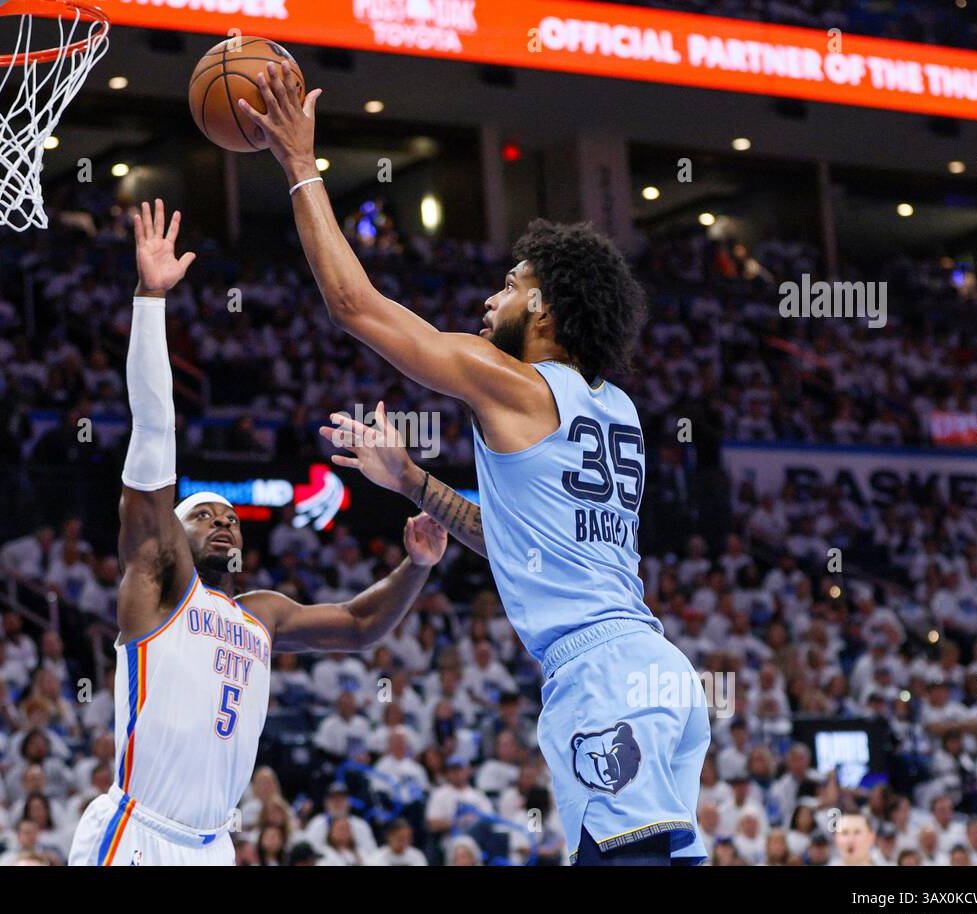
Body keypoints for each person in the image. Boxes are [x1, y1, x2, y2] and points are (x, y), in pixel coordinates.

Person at [245, 62, 709, 866]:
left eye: (511, 283)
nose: (491, 297)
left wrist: (298, 167)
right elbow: (522, 544)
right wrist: (413, 484)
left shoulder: (512, 382)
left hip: (601, 675)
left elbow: (355, 308)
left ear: (547, 310)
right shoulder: (617, 409)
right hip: (656, 672)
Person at [67, 201, 450, 867]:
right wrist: (150, 300)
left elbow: (360, 625)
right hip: (138, 830)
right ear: (173, 537)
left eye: (232, 517)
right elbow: (155, 430)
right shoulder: (160, 586)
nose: (223, 521)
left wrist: (414, 566)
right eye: (205, 515)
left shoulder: (262, 615)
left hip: (214, 845)